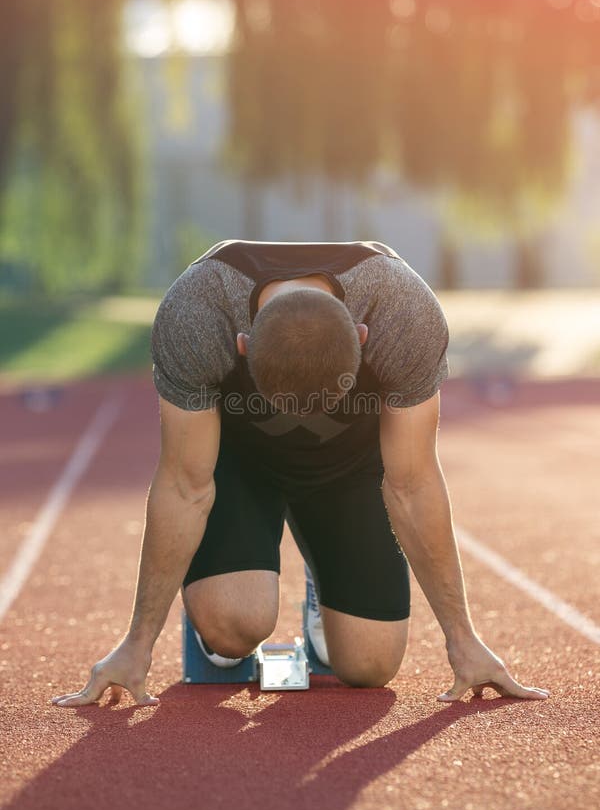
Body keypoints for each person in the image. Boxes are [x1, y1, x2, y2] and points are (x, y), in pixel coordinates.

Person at [52, 240, 548, 707]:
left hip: (349, 468)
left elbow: (413, 484)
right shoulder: (198, 314)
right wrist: (137, 643)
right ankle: (213, 610)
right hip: (238, 463)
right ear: (242, 344)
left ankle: (320, 580)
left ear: (361, 336)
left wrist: (463, 639)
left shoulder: (402, 314)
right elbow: (185, 486)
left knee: (370, 666)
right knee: (234, 630)